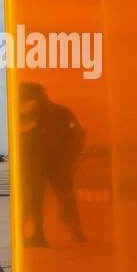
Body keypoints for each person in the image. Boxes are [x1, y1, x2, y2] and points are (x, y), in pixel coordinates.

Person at [18, 81, 86, 246]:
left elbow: (78, 134)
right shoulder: (22, 114)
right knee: (32, 200)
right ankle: (35, 234)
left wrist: (71, 157)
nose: (30, 100)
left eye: (31, 96)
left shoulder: (60, 112)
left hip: (56, 163)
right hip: (36, 165)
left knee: (64, 198)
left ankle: (73, 231)